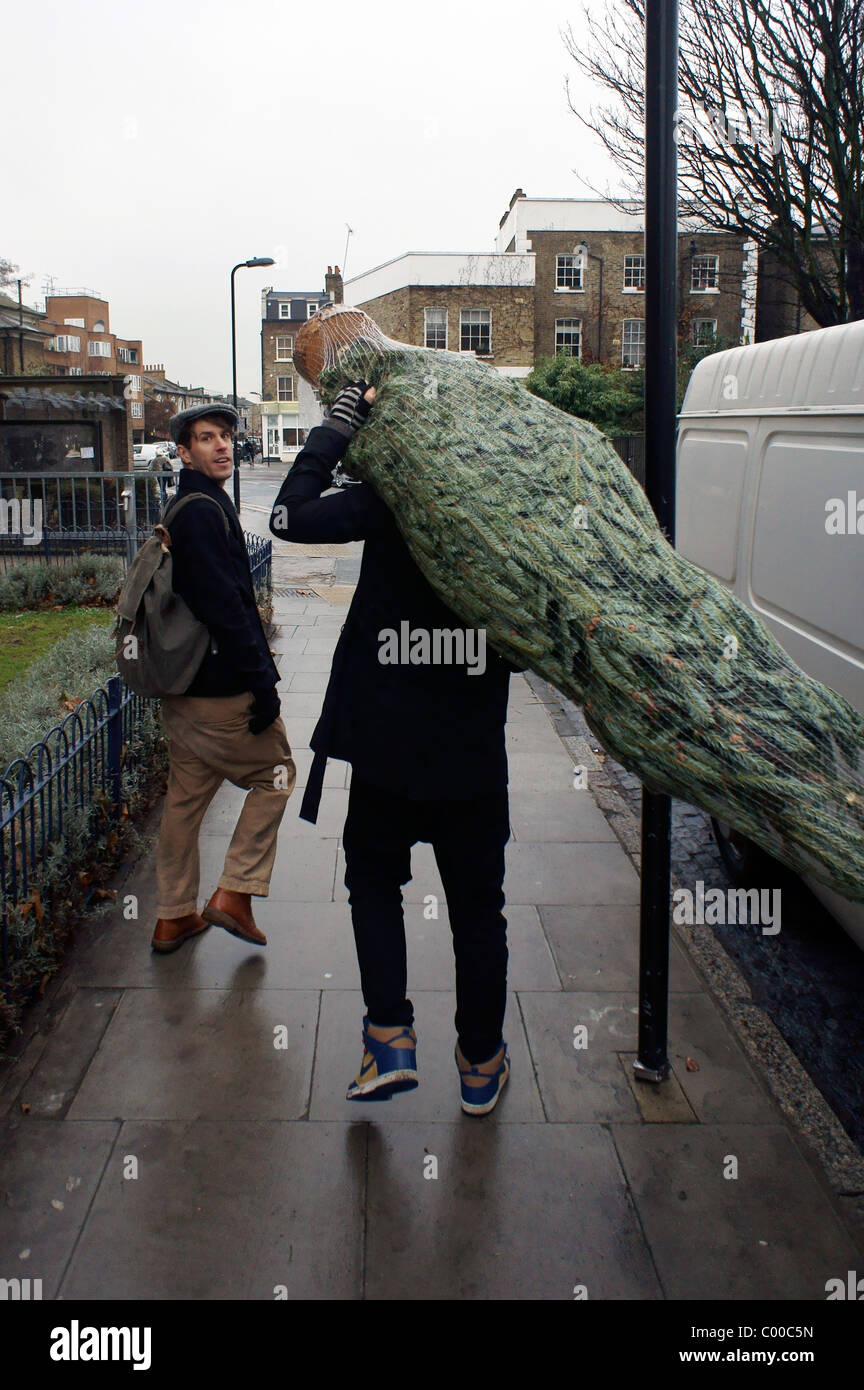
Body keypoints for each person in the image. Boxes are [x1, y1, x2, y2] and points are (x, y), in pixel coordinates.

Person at [270, 382, 516, 1115]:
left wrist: (334, 431)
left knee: (375, 886)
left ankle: (389, 1043)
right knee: (479, 912)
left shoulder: (390, 501)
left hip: (384, 750)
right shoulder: (507, 515)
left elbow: (288, 516)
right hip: (470, 753)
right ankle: (480, 1066)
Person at [150, 402, 296, 954]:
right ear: (184, 452)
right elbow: (227, 608)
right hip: (218, 692)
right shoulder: (204, 512)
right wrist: (263, 684)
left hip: (183, 695)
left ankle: (171, 917)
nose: (222, 446)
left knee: (186, 802)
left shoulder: (187, 504)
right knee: (276, 774)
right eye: (206, 438)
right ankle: (235, 892)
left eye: (226, 437)